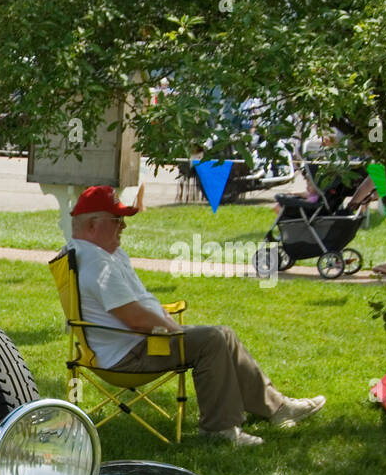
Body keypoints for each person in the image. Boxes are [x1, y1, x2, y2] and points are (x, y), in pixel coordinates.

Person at [69, 185, 324, 447]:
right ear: (92, 226)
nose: (123, 226)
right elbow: (135, 319)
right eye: (117, 220)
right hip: (128, 353)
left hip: (133, 343)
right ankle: (220, 429)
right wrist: (173, 328)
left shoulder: (98, 253)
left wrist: (167, 324)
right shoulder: (97, 265)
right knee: (211, 339)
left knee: (221, 333)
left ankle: (277, 407)